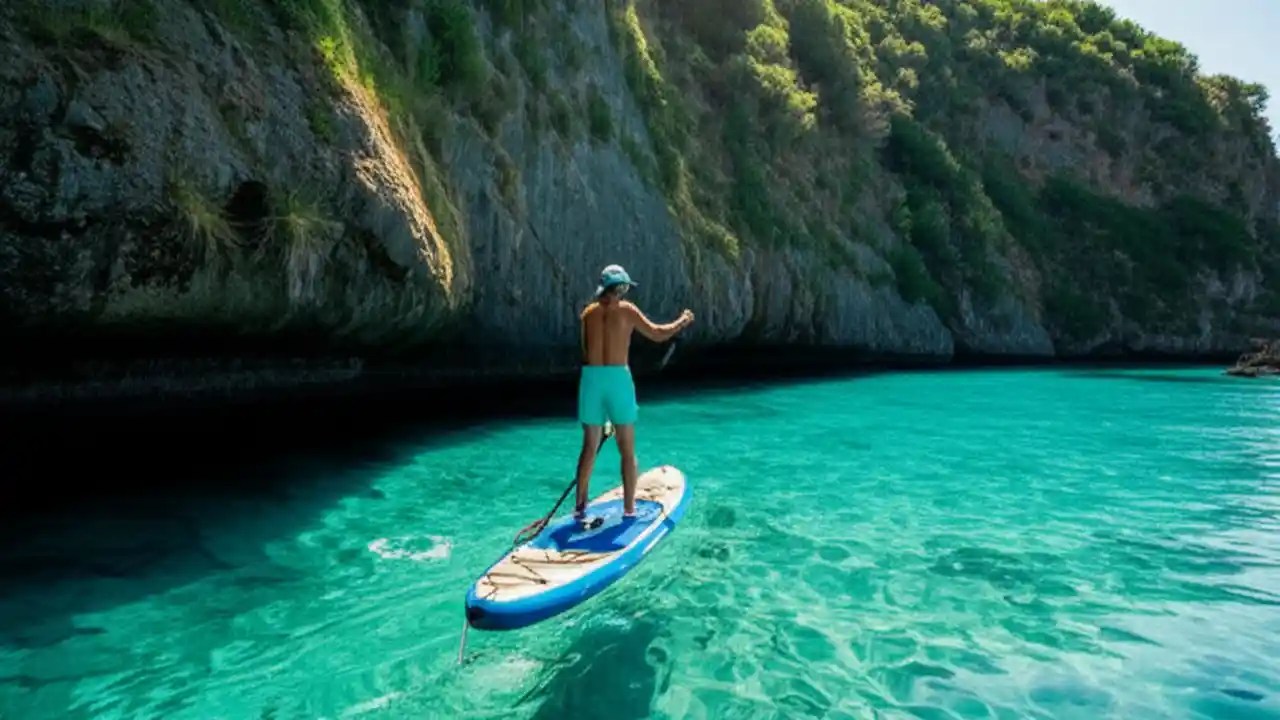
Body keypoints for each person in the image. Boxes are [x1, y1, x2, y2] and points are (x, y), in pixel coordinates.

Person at [573, 264, 693, 524]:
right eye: (625, 288)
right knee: (626, 449)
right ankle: (629, 509)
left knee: (589, 447)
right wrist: (682, 321)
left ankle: (580, 507)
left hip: (591, 379)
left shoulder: (587, 314)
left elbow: (585, 349)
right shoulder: (627, 311)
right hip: (618, 380)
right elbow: (658, 334)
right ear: (620, 288)